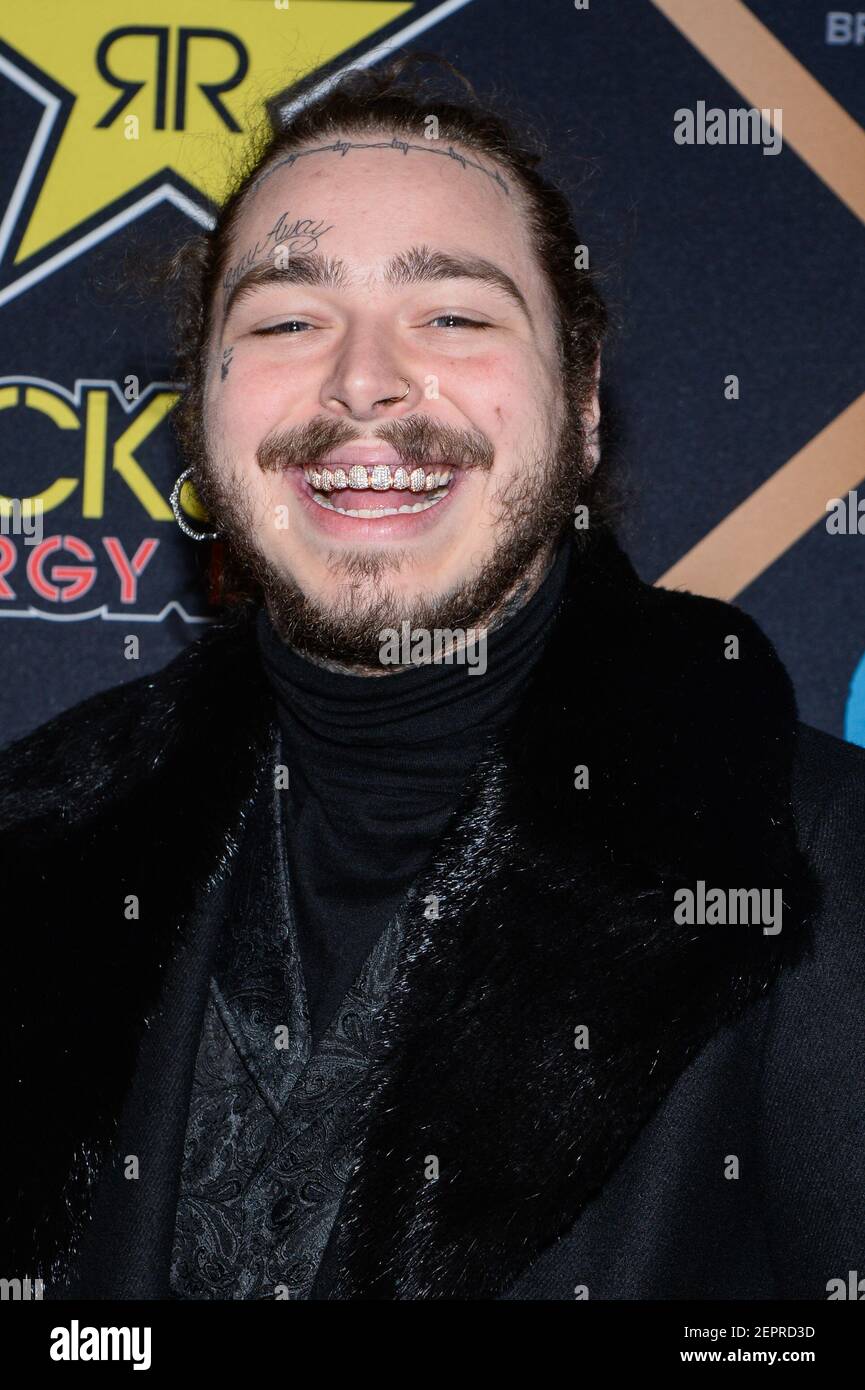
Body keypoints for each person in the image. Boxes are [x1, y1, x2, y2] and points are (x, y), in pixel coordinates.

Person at [1, 55, 863, 1302]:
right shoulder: (38, 845)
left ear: (581, 411)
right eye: (288, 319)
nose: (362, 382)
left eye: (453, 313)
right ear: (201, 413)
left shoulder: (814, 860)